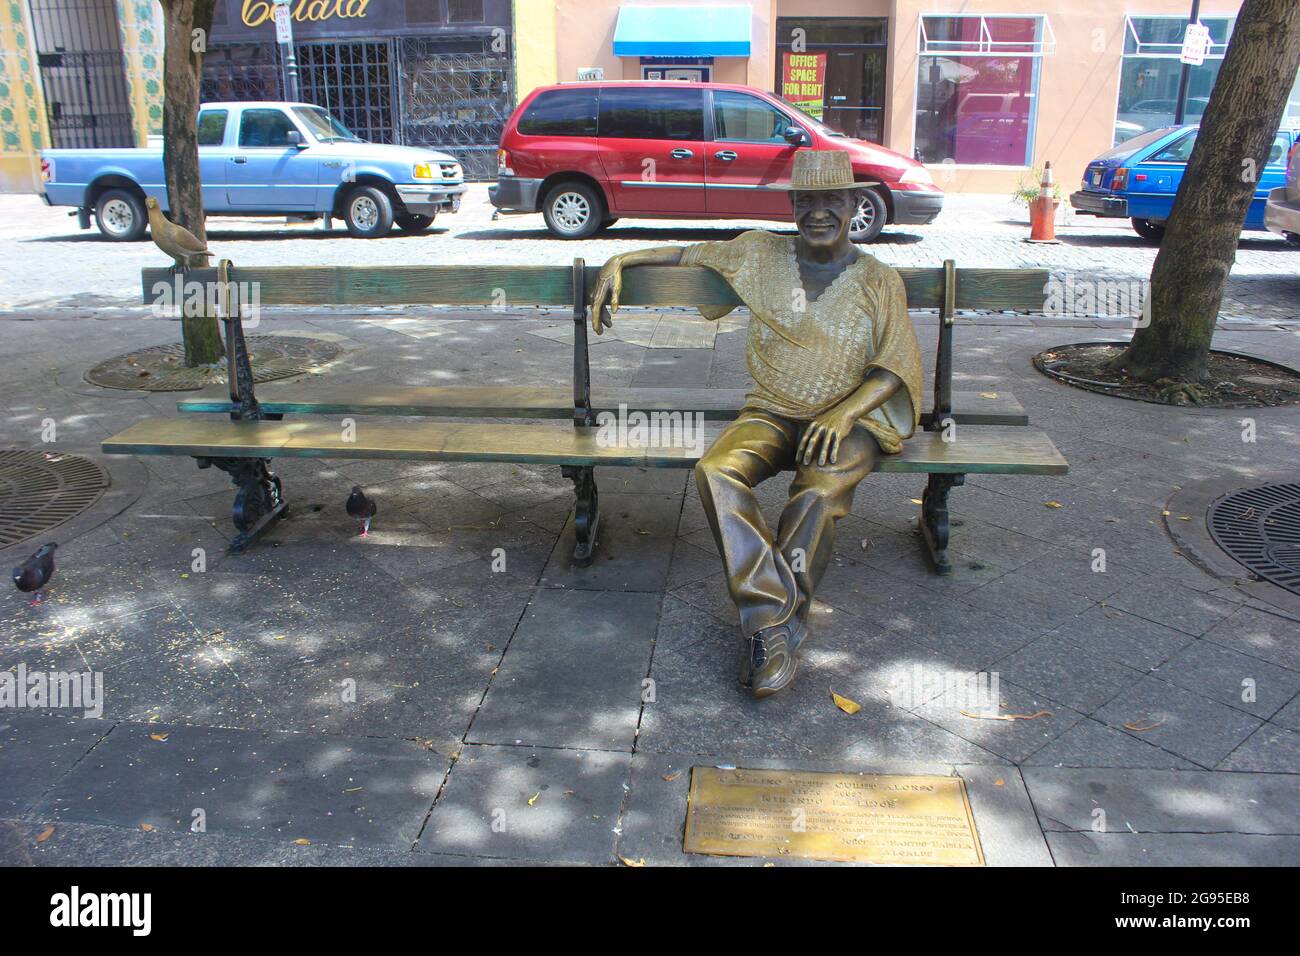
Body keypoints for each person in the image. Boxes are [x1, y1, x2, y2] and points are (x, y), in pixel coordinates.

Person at [590, 150, 923, 698]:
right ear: (792, 206)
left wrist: (843, 413)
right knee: (716, 470)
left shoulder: (878, 279)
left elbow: (896, 364)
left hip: (852, 420)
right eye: (806, 201)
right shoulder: (760, 253)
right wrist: (620, 260)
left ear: (853, 205)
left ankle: (770, 632)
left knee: (817, 492)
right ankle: (775, 619)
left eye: (832, 201)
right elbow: (686, 252)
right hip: (771, 410)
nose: (819, 213)